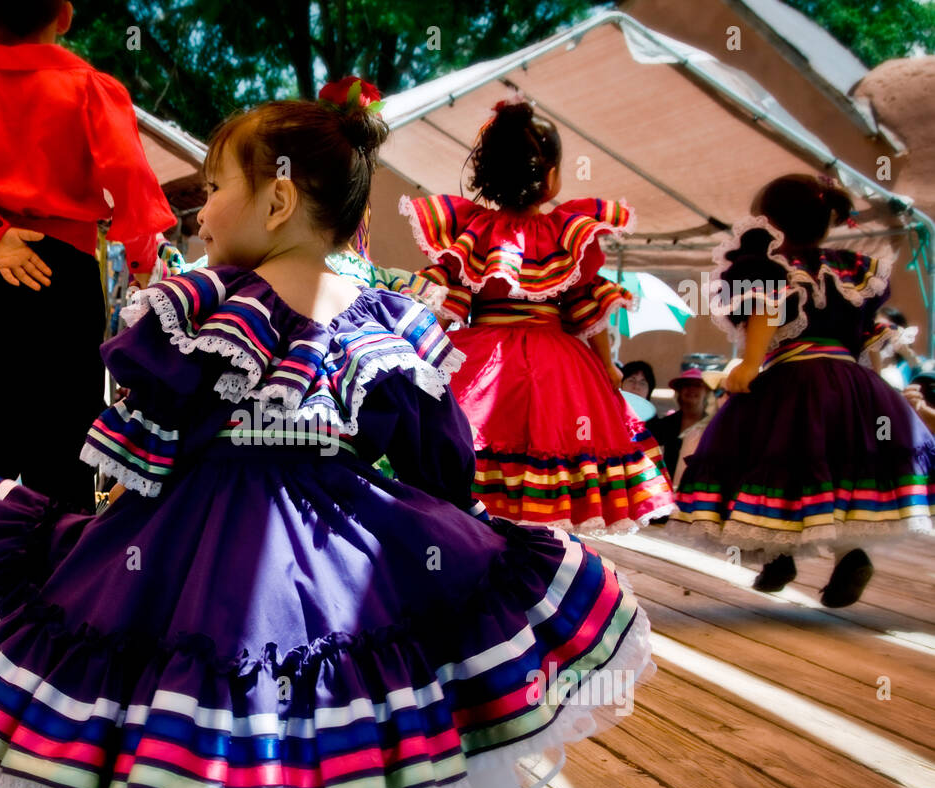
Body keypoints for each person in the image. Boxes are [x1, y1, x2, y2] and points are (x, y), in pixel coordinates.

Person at [0, 84, 654, 788]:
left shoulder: (202, 303)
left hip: (198, 529)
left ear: (279, 197)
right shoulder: (380, 315)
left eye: (216, 187)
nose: (200, 213)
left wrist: (119, 525)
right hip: (350, 527)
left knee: (197, 675)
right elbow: (438, 450)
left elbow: (153, 439)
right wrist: (450, 528)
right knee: (347, 679)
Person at [0, 0, 177, 511]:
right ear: (66, 16)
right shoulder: (93, 89)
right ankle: (60, 578)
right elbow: (131, 183)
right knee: (66, 436)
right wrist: (142, 263)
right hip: (68, 277)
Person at [399, 93, 673, 532]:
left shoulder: (468, 229)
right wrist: (608, 367)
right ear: (550, 176)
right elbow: (586, 304)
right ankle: (540, 561)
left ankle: (483, 552)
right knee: (554, 464)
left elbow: (446, 307)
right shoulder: (569, 231)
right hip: (561, 368)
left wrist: (419, 360)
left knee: (474, 456)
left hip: (479, 360)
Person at [671, 174, 935, 606]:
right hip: (853, 382)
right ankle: (849, 554)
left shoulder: (769, 266)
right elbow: (870, 337)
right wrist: (873, 389)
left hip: (795, 377)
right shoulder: (853, 271)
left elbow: (766, 310)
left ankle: (778, 556)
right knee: (845, 472)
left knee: (773, 463)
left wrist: (750, 364)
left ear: (770, 220)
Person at [647, 368, 712, 481]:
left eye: (697, 385)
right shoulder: (666, 424)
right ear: (679, 391)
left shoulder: (712, 426)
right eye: (686, 385)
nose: (691, 389)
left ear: (705, 391)